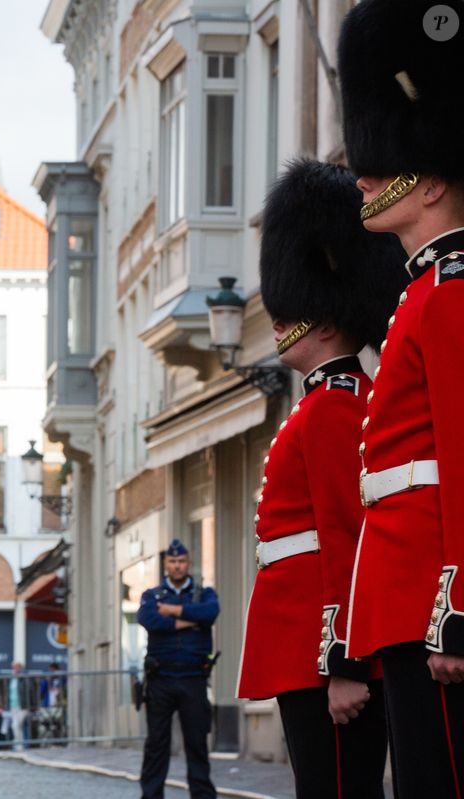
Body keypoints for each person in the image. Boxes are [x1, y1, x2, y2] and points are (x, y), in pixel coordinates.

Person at [237, 160, 405, 798]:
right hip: (299, 640)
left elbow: (346, 536)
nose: (279, 321)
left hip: (321, 646)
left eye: (293, 309)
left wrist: (345, 662)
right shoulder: (318, 404)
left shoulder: (337, 406)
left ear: (329, 314)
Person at [338, 1, 464, 794]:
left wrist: (459, 604)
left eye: (386, 166)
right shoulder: (418, 296)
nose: (365, 175)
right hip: (402, 594)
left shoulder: (451, 293)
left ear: (437, 178)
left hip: (433, 599)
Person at [137, 539, 219, 799]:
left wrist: (172, 611)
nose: (177, 566)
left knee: (196, 744)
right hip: (160, 679)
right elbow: (149, 620)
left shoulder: (204, 594)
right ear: (165, 564)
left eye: (181, 561)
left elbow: (210, 613)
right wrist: (189, 620)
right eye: (172, 562)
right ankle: (151, 796)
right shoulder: (152, 596)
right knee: (156, 745)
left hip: (193, 678)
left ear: (189, 564)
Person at [7, 661, 37, 749]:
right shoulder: (11, 678)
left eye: (17, 667)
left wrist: (33, 704)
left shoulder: (25, 678)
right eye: (14, 667)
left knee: (15, 725)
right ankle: (18, 745)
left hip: (23, 705)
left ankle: (19, 745)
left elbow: (31, 691)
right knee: (17, 726)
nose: (15, 669)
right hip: (13, 705)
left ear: (21, 668)